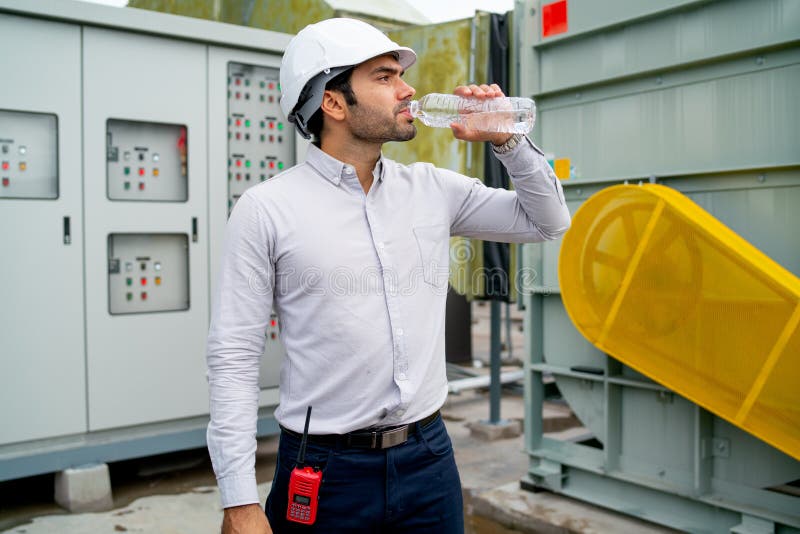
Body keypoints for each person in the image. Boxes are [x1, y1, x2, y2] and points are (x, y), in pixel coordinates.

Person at [206, 17, 570, 534]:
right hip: (324, 470)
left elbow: (548, 221)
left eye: (400, 75)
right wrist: (239, 499)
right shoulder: (266, 210)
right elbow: (234, 356)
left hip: (429, 458)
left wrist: (508, 141)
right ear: (333, 103)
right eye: (384, 77)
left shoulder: (432, 189)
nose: (408, 90)